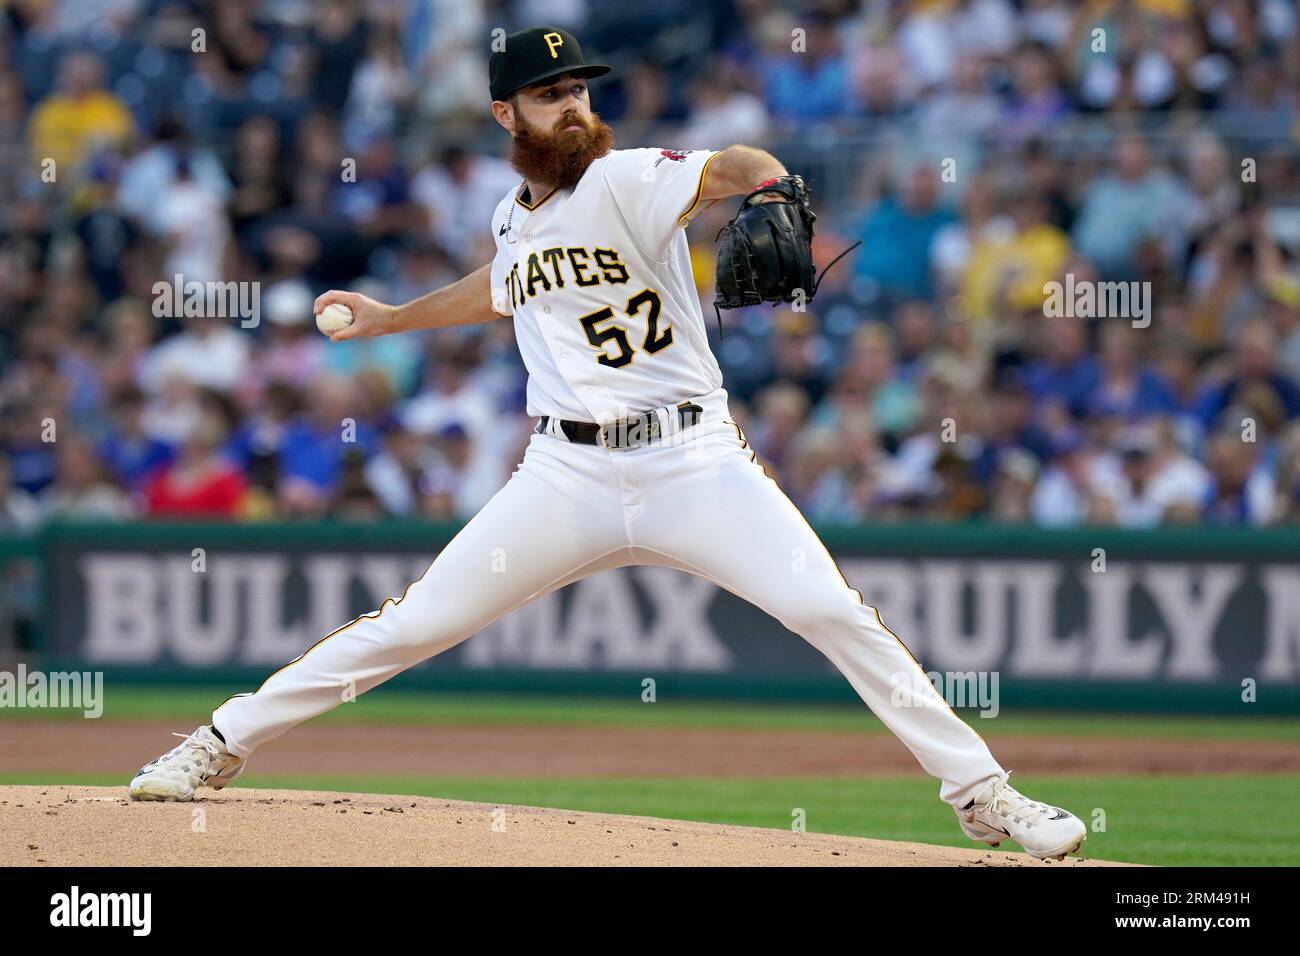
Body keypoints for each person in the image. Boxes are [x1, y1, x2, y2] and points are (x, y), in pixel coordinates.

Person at [128, 27, 1087, 861]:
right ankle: (216, 742)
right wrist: (386, 320)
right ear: (506, 114)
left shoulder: (627, 177)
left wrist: (775, 183)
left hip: (694, 462)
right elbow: (501, 284)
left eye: (580, 89)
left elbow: (730, 164)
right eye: (550, 95)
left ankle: (983, 796)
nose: (573, 105)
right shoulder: (514, 217)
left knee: (831, 612)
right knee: (413, 624)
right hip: (566, 472)